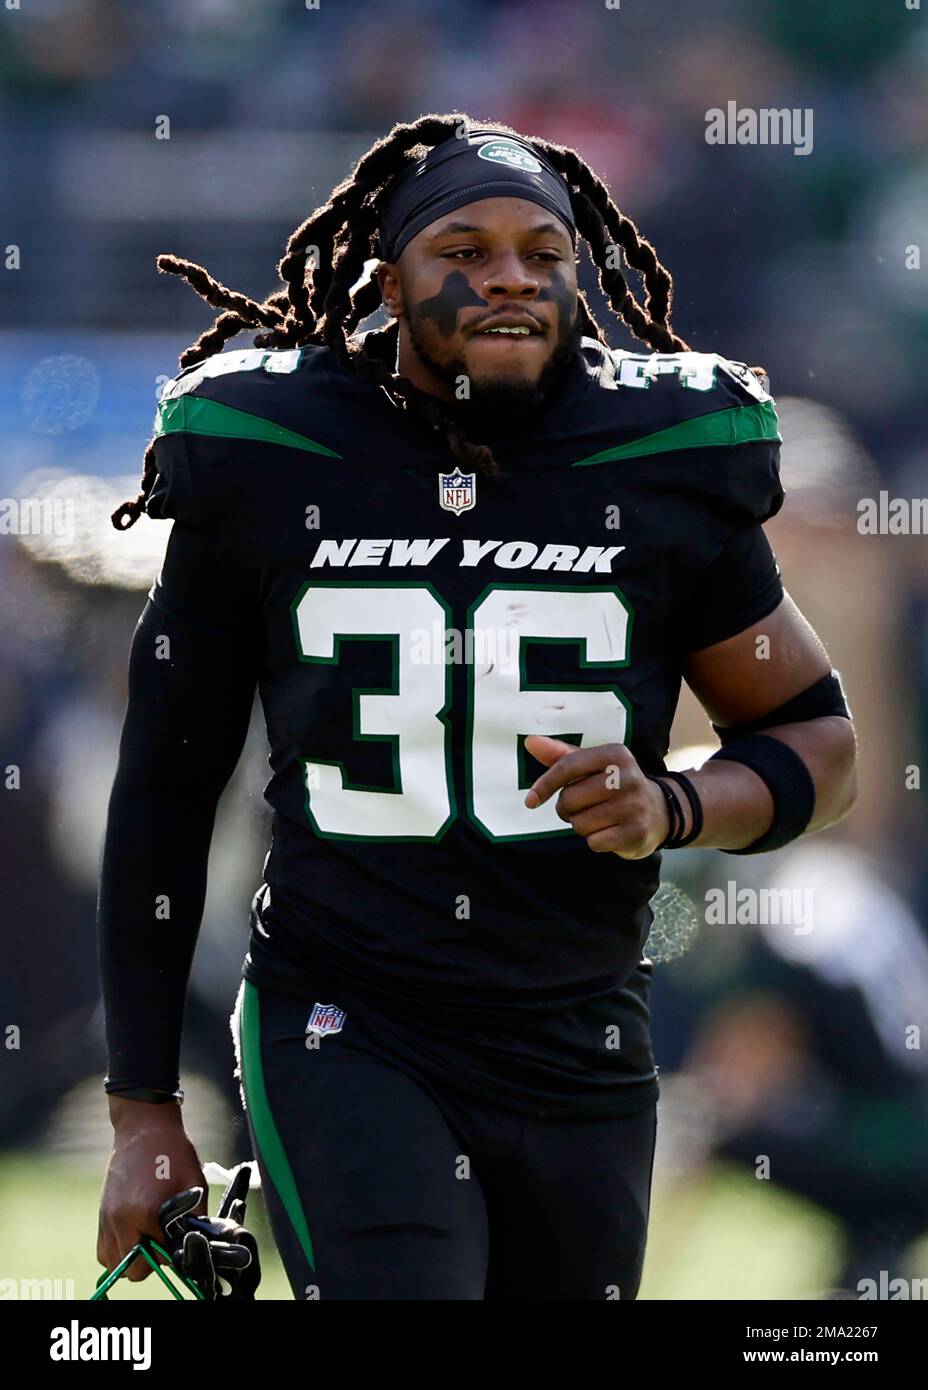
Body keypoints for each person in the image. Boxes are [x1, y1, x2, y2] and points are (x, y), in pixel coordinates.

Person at [96, 114, 857, 1300]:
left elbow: (816, 736)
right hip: (343, 1018)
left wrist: (675, 802)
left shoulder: (658, 455)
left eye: (543, 253)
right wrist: (143, 1107)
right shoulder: (268, 449)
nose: (509, 275)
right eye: (465, 248)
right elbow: (162, 789)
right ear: (387, 280)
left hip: (580, 1034)